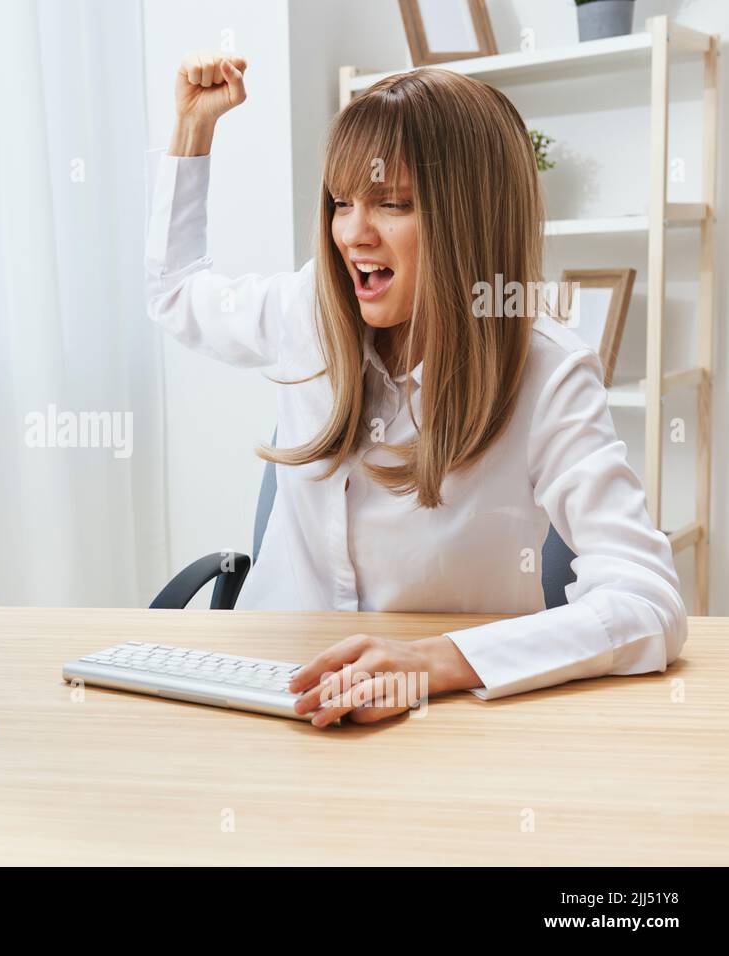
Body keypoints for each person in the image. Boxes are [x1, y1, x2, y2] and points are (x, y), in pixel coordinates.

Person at [145, 52, 686, 728]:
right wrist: (193, 132)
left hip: (446, 718)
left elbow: (648, 600)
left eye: (392, 204)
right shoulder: (306, 310)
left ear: (471, 220)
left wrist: (437, 660)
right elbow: (175, 294)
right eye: (342, 203)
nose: (352, 234)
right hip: (273, 692)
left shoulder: (547, 373)